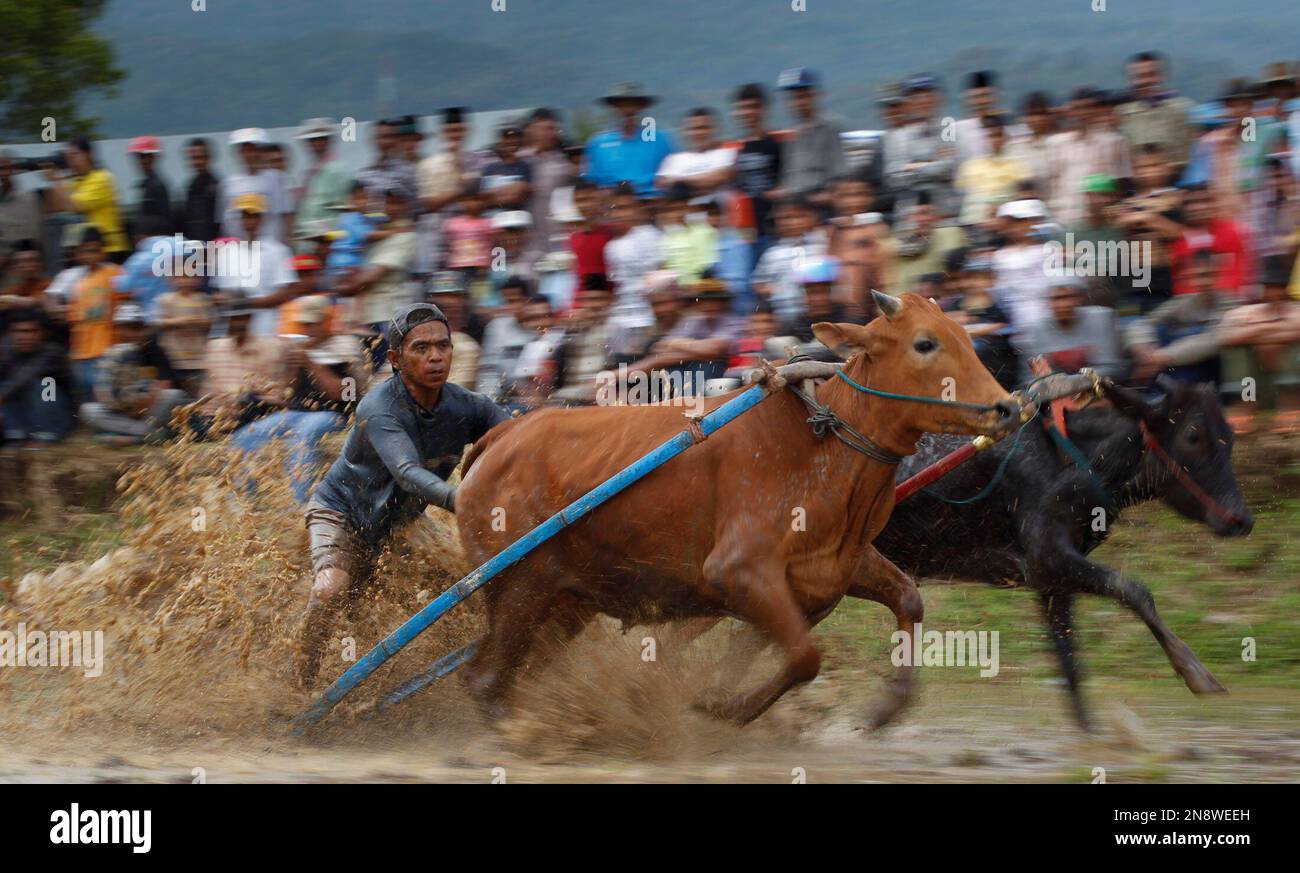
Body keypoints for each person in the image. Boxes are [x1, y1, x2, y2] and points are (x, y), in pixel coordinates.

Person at [296, 302, 509, 684]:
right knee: (331, 591)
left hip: (403, 521)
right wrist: (468, 504)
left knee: (466, 590)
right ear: (395, 359)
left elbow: (517, 440)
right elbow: (409, 474)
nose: (435, 357)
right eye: (421, 349)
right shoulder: (379, 407)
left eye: (443, 347)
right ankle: (298, 683)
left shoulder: (468, 405)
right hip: (343, 514)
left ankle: (461, 681)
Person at [230, 294, 369, 503]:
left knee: (304, 433)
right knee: (246, 435)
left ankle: (300, 505)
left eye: (312, 324)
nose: (307, 328)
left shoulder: (345, 346)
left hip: (336, 414)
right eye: (304, 323)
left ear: (327, 321)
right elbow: (286, 394)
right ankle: (241, 505)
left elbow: (345, 394)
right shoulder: (300, 346)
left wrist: (310, 363)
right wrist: (293, 365)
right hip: (298, 412)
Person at [79, 303, 188, 445]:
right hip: (122, 413)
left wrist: (139, 409)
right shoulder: (112, 354)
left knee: (174, 395)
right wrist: (120, 407)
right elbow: (102, 392)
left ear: (143, 328)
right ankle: (149, 435)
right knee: (88, 410)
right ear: (118, 329)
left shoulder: (155, 351)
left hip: (150, 411)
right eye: (125, 328)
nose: (131, 333)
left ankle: (131, 435)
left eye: (136, 328)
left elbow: (163, 386)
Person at [216, 192, 299, 337]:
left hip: (265, 327)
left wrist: (245, 303)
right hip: (232, 329)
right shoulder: (226, 252)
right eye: (245, 216)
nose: (249, 221)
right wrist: (223, 299)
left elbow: (285, 293)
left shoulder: (278, 251)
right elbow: (223, 291)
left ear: (263, 218)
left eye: (254, 215)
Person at [57, 227, 125, 399]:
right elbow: (72, 320)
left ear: (104, 251)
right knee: (89, 403)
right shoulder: (75, 281)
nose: (91, 256)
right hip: (80, 355)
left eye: (95, 250)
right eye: (85, 251)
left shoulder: (115, 273)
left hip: (107, 352)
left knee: (108, 402)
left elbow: (126, 305)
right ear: (77, 253)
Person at [1016, 278, 1125, 383]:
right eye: (1056, 298)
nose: (1062, 304)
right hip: (1056, 394)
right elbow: (1031, 377)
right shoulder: (1038, 329)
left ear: (1079, 299)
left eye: (1068, 297)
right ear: (1048, 303)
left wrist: (1068, 382)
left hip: (1097, 389)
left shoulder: (1101, 319)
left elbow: (1112, 369)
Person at [41, 138, 129, 261]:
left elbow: (76, 207)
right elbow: (54, 207)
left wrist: (55, 180)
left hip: (108, 250)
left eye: (74, 154)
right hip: (85, 250)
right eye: (68, 156)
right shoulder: (76, 181)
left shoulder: (102, 178)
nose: (70, 159)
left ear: (89, 154)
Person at [584, 82, 677, 196]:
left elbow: (671, 176)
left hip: (651, 203)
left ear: (642, 108)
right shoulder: (598, 143)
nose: (628, 110)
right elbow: (591, 183)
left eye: (634, 105)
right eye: (623, 105)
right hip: (613, 205)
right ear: (614, 108)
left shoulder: (659, 140)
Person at [0, 307, 74, 446]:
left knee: (43, 384)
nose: (24, 337)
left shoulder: (52, 352)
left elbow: (23, 378)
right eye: (17, 332)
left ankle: (46, 435)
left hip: (56, 417)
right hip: (26, 416)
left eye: (31, 331)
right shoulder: (8, 350)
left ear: (44, 333)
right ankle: (16, 436)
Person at [775, 67, 845, 210]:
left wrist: (831, 193)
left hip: (819, 201)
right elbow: (789, 172)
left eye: (803, 96)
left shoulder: (830, 127)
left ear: (815, 96)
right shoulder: (793, 133)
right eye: (794, 97)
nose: (799, 102)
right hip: (795, 203)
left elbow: (840, 169)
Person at [1117, 51, 1196, 168]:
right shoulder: (1122, 113)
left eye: (1151, 74)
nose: (1146, 81)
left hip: (1179, 178)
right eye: (1139, 76)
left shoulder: (1185, 109)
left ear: (1163, 76)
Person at [730, 83, 784, 252]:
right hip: (746, 228)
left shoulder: (777, 145)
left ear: (764, 110)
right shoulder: (737, 149)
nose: (748, 113)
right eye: (743, 108)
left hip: (773, 227)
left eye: (753, 107)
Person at [219, 128, 294, 243]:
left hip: (270, 243)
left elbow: (287, 215)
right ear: (239, 154)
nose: (250, 155)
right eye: (246, 151)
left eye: (254, 150)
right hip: (240, 246)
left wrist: (286, 243)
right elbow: (225, 221)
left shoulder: (277, 178)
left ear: (261, 152)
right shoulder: (228, 183)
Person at [955, 114, 1031, 226]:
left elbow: (1024, 198)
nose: (994, 140)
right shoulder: (969, 166)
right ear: (983, 139)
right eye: (990, 136)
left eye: (998, 136)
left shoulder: (1017, 166)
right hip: (973, 223)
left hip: (1006, 223)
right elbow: (962, 199)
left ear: (1005, 138)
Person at [655, 108, 737, 204]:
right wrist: (704, 184)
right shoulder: (674, 159)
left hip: (719, 215)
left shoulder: (728, 153)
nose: (699, 133)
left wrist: (679, 183)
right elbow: (662, 183)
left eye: (704, 127)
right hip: (686, 215)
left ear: (715, 129)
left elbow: (718, 178)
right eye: (694, 128)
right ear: (686, 131)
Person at [291, 118, 350, 250]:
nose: (317, 143)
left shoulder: (339, 170)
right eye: (313, 140)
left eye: (322, 139)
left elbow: (345, 208)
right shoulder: (308, 173)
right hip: (306, 243)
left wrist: (320, 236)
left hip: (325, 243)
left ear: (330, 141)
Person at [153, 271, 214, 396]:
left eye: (191, 277)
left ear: (199, 279)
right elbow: (158, 322)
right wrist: (178, 321)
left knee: (196, 393)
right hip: (172, 356)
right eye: (181, 277)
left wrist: (198, 321)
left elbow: (211, 323)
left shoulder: (203, 299)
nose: (186, 281)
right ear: (171, 279)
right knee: (171, 393)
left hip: (197, 358)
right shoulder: (165, 299)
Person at [0, 152, 43, 268]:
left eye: (4, 169)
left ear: (13, 170)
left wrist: (6, 258)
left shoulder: (28, 200)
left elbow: (32, 240)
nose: (2, 174)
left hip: (18, 271)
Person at [479, 122, 533, 212]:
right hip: (492, 219)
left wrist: (494, 193)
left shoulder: (525, 167)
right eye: (506, 138)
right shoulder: (489, 168)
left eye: (514, 138)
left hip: (517, 219)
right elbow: (483, 198)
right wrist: (512, 189)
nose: (511, 141)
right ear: (500, 141)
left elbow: (518, 196)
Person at [127, 135, 173, 234]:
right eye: (138, 157)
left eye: (143, 157)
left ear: (153, 158)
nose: (141, 162)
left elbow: (165, 219)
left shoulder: (158, 185)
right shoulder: (146, 184)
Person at [181, 138, 221, 242]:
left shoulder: (218, 187)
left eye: (201, 157)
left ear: (209, 158)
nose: (198, 162)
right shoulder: (190, 187)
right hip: (193, 246)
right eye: (194, 158)